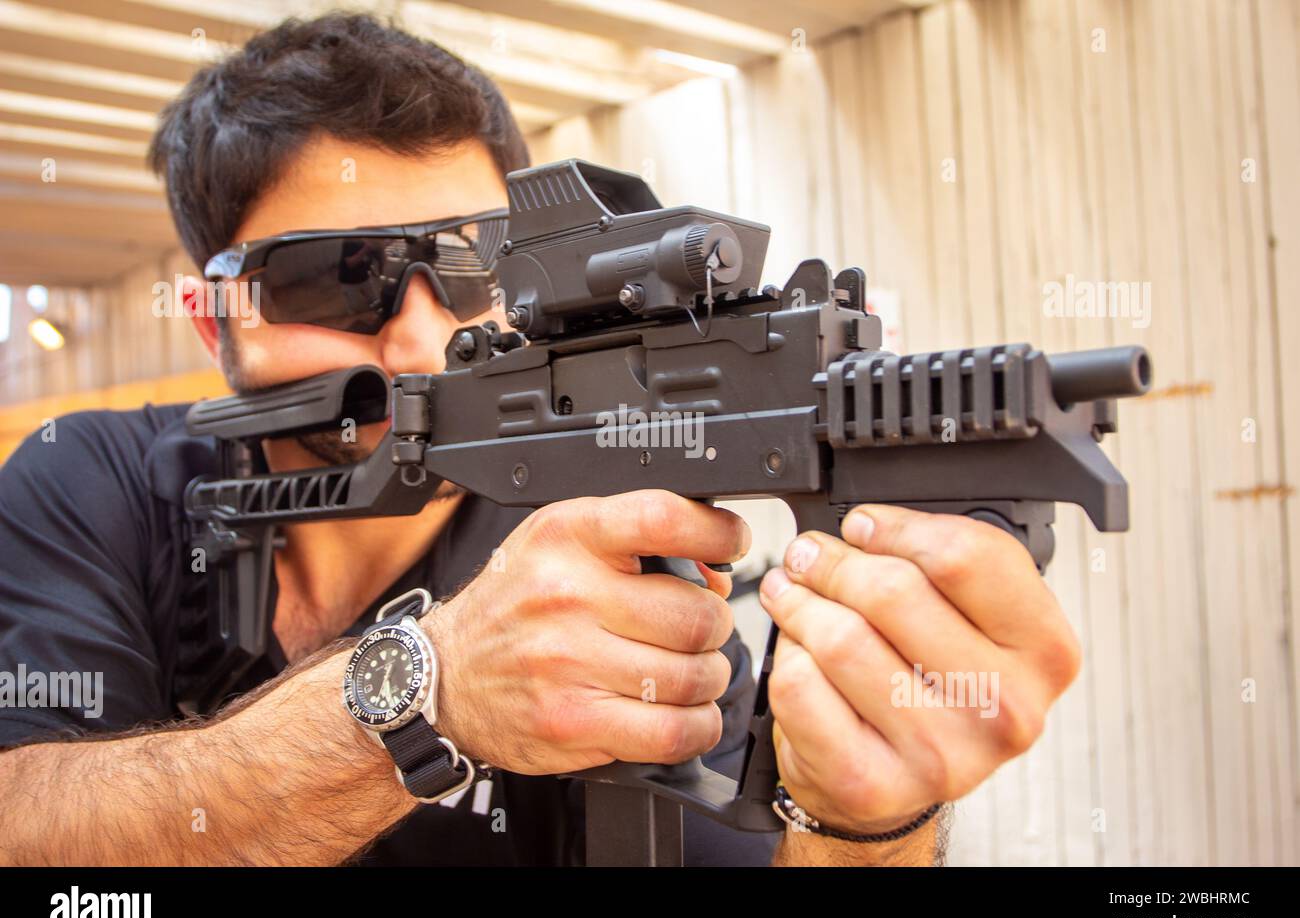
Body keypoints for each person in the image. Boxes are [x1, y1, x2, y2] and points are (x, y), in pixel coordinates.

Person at [0, 13, 1080, 866]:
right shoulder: (86, 479)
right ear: (211, 316)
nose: (424, 336)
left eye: (473, 265)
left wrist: (867, 826)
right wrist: (428, 690)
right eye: (333, 277)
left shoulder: (617, 544)